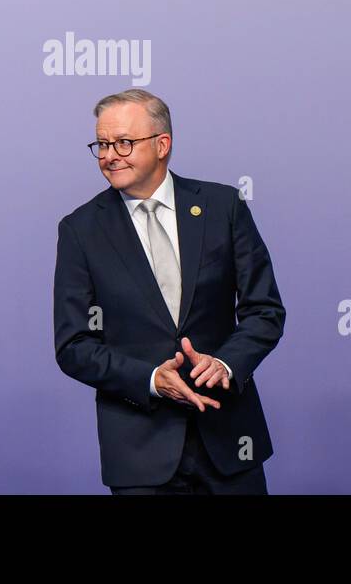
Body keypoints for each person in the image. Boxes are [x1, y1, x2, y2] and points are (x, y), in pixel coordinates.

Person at [52, 89, 285, 493]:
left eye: (123, 142)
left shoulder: (222, 206)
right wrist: (151, 378)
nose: (110, 155)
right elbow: (73, 344)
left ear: (163, 145)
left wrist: (225, 364)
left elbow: (264, 311)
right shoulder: (80, 230)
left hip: (230, 443)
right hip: (141, 455)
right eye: (102, 145)